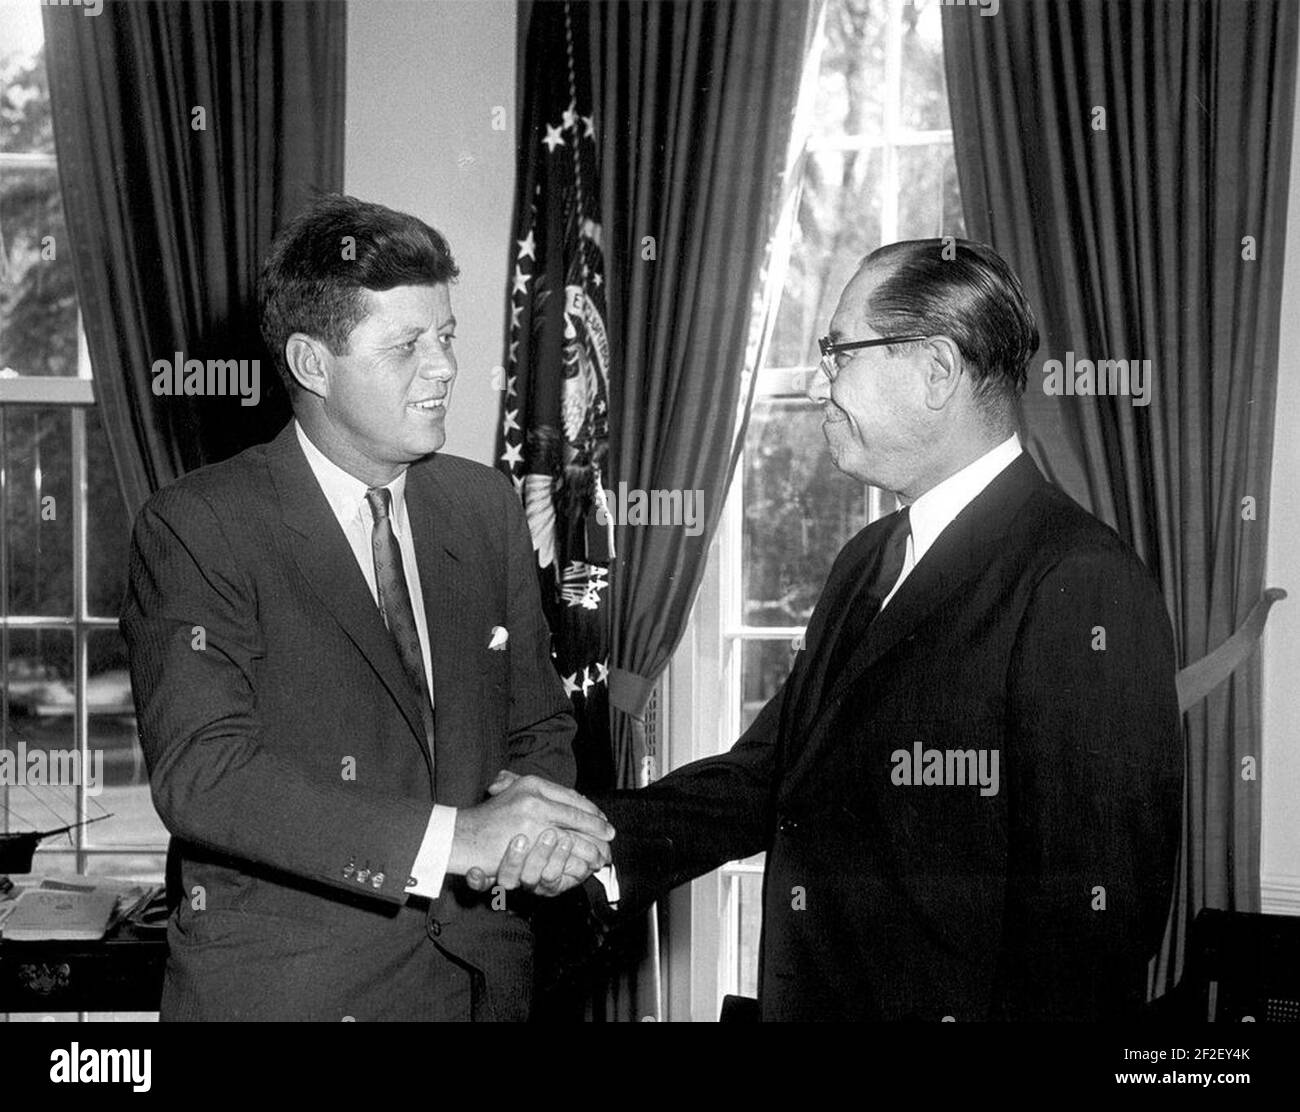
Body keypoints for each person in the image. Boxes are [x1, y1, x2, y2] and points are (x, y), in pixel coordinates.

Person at [479, 238, 1184, 1021]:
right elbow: (772, 777)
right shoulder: (867, 560)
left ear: (936, 371)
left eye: (840, 352)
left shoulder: (1079, 580)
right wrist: (589, 834)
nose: (823, 380)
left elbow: (1092, 936)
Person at [121, 193, 613, 1021]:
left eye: (447, 336)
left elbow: (537, 726)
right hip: (293, 998)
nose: (445, 367)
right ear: (313, 366)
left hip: (483, 989)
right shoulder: (200, 525)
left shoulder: (484, 508)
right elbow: (205, 775)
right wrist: (458, 840)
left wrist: (534, 841)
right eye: (407, 346)